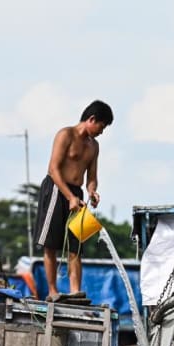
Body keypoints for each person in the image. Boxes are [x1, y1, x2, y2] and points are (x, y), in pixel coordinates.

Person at [33, 100, 113, 301]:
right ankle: (52, 291)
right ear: (91, 119)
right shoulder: (65, 134)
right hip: (56, 189)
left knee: (76, 246)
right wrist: (69, 197)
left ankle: (75, 290)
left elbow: (92, 177)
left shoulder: (94, 146)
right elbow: (53, 169)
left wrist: (92, 192)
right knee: (50, 245)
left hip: (77, 194)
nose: (101, 132)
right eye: (101, 127)